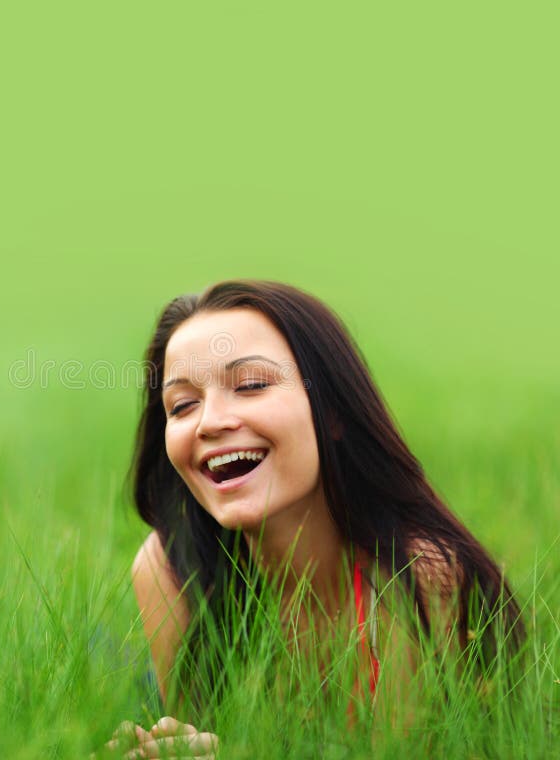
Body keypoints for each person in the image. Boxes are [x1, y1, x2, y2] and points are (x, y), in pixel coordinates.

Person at [103, 280, 522, 758]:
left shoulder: (417, 577)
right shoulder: (170, 571)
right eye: (182, 405)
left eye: (251, 385)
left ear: (334, 410)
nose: (210, 421)